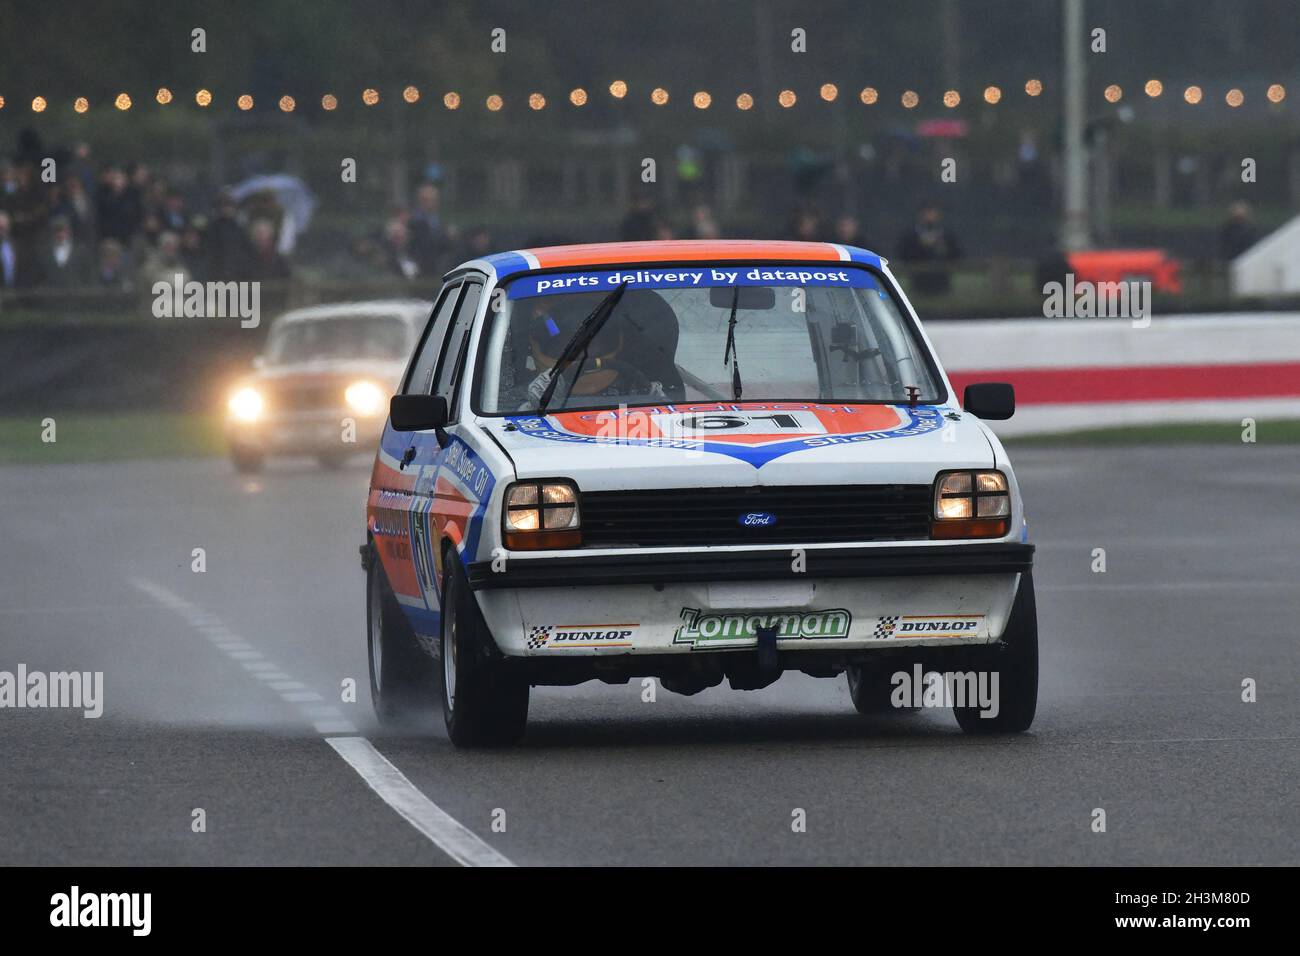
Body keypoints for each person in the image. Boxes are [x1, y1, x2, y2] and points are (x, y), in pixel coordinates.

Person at [898, 201, 962, 296]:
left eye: (932, 212)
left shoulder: (947, 236)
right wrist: (920, 246)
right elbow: (903, 255)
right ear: (920, 215)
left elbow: (957, 255)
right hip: (918, 284)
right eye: (927, 213)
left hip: (942, 284)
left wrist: (941, 248)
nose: (930, 216)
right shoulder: (911, 237)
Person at [35, 216, 92, 287]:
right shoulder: (44, 252)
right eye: (57, 231)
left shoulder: (81, 251)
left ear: (69, 231)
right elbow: (38, 276)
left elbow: (88, 274)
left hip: (76, 295)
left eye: (63, 230)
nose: (60, 234)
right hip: (51, 295)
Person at [0, 211, 23, 290]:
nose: (2, 230)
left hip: (16, 292)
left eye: (4, 227)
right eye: (0, 227)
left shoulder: (16, 245)